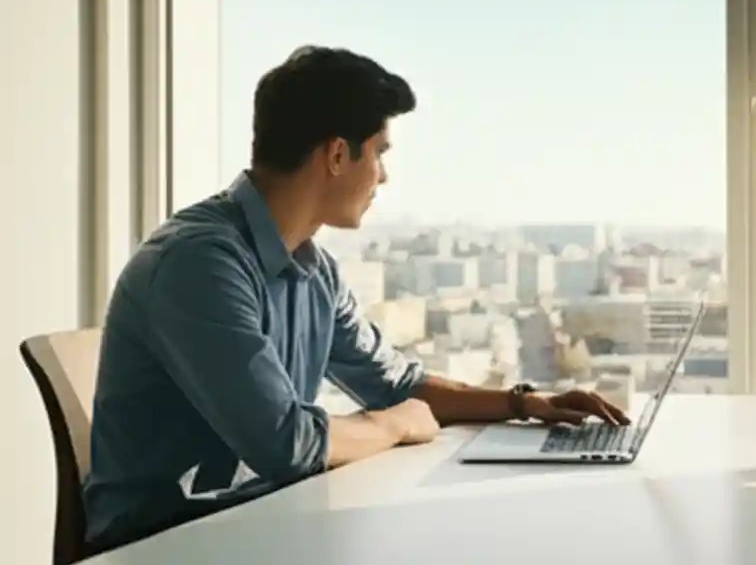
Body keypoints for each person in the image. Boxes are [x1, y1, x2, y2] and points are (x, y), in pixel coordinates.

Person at [83, 46, 628, 552]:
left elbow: (398, 385)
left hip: (257, 523)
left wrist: (523, 404)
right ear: (338, 154)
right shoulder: (200, 263)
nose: (383, 177)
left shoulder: (312, 269)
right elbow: (287, 445)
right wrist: (393, 425)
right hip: (161, 545)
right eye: (380, 153)